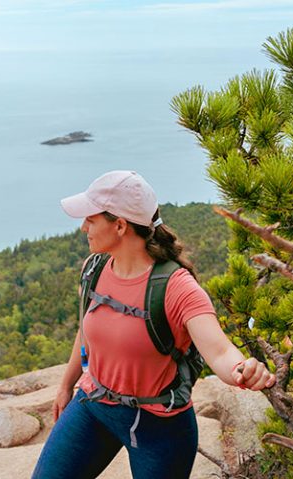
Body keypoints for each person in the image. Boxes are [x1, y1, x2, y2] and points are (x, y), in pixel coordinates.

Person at [32, 170, 276, 479]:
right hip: (93, 405)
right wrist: (66, 385)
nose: (83, 227)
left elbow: (219, 351)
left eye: (91, 220)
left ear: (120, 225)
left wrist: (244, 369)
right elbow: (87, 330)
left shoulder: (177, 288)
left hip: (159, 427)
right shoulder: (93, 269)